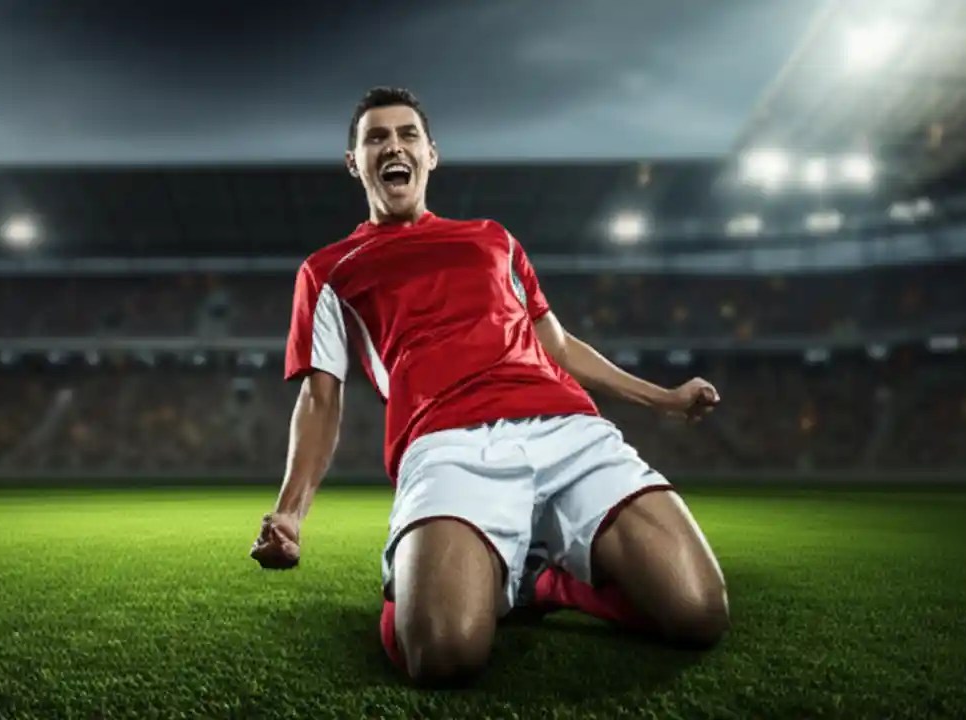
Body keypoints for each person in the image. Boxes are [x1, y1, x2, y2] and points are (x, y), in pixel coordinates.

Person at [250, 87, 729, 688]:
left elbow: (556, 345)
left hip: (567, 430)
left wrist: (665, 397)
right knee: (443, 655)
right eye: (375, 137)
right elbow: (321, 398)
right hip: (447, 444)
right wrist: (291, 514)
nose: (393, 145)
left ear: (431, 155)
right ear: (355, 162)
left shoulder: (493, 239)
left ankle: (554, 578)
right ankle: (518, 580)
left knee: (699, 612)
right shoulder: (329, 270)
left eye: (407, 135)